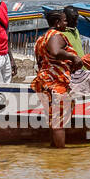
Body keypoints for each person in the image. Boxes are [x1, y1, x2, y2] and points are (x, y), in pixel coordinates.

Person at [31, 8, 81, 148]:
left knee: (54, 121)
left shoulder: (41, 39)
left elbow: (41, 61)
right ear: (57, 22)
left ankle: (54, 153)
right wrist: (73, 57)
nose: (66, 23)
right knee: (59, 123)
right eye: (65, 20)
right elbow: (55, 51)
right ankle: (61, 158)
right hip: (55, 84)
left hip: (44, 83)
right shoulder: (55, 36)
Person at [62, 5, 90, 97]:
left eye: (77, 18)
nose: (76, 21)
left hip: (82, 70)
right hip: (71, 72)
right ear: (66, 18)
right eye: (73, 19)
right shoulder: (61, 33)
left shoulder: (76, 30)